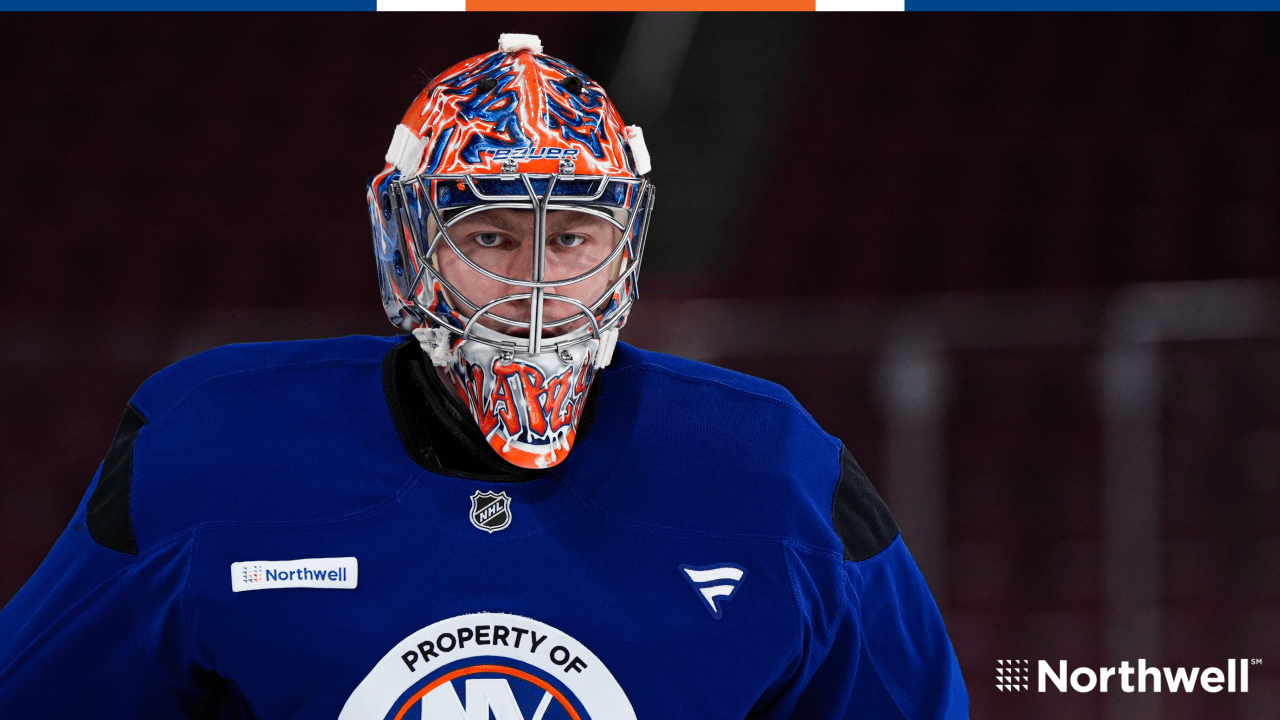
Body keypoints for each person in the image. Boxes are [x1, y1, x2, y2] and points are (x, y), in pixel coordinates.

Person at [0, 35, 968, 719]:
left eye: (573, 236)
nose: (535, 287)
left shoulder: (783, 474)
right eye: (492, 236)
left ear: (624, 250)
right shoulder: (206, 455)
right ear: (407, 246)